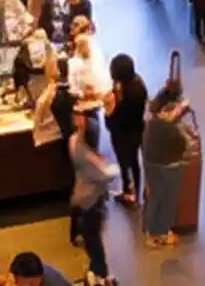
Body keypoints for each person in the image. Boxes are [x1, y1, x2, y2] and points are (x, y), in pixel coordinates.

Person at [69, 106, 117, 285]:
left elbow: (104, 172)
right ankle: (99, 271)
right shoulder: (84, 151)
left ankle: (99, 271)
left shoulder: (75, 143)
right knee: (92, 236)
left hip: (85, 197)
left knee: (91, 236)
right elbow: (107, 173)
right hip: (90, 198)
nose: (77, 120)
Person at [142, 82, 188, 248]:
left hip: (150, 162)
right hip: (168, 166)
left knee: (154, 197)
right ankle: (161, 232)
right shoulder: (169, 129)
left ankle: (148, 231)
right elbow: (183, 145)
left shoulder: (152, 118)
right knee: (168, 199)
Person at [104, 54, 147, 206]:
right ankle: (136, 189)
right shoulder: (138, 84)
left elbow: (115, 121)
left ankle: (128, 191)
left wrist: (108, 113)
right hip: (137, 130)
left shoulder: (127, 95)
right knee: (135, 162)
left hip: (124, 135)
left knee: (125, 163)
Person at [68, 34, 110, 100]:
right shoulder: (74, 63)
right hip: (79, 99)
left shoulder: (92, 62)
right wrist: (83, 94)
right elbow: (73, 85)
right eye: (87, 46)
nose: (90, 49)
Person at [9, 252, 75, 286]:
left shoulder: (52, 283)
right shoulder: (35, 268)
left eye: (17, 280)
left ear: (30, 282)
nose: (15, 283)